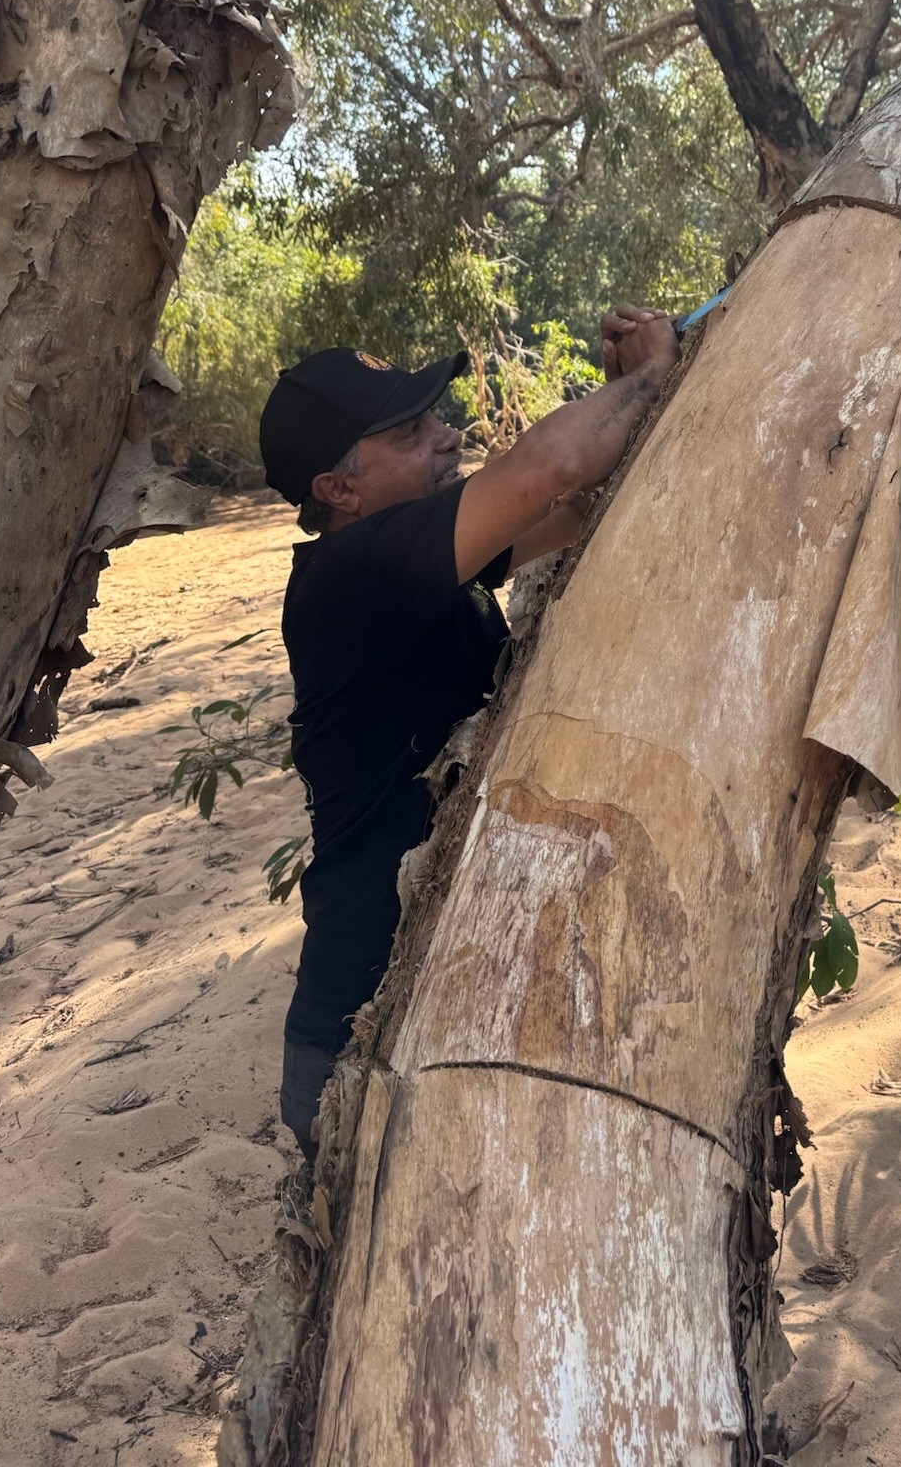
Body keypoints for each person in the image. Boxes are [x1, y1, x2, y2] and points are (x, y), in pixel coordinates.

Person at [257, 304, 680, 1159]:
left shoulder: (416, 563)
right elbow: (545, 466)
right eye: (412, 432)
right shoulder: (353, 573)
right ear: (339, 492)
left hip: (428, 997)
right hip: (363, 1025)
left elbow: (575, 502)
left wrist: (620, 397)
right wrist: (648, 379)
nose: (447, 437)